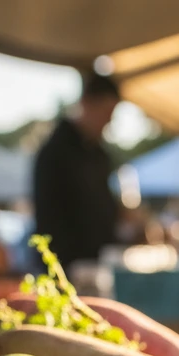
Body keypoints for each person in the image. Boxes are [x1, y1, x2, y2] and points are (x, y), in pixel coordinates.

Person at [34, 72, 121, 270]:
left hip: (100, 263)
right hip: (66, 267)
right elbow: (51, 220)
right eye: (105, 113)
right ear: (86, 103)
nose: (108, 122)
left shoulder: (99, 154)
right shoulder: (56, 152)